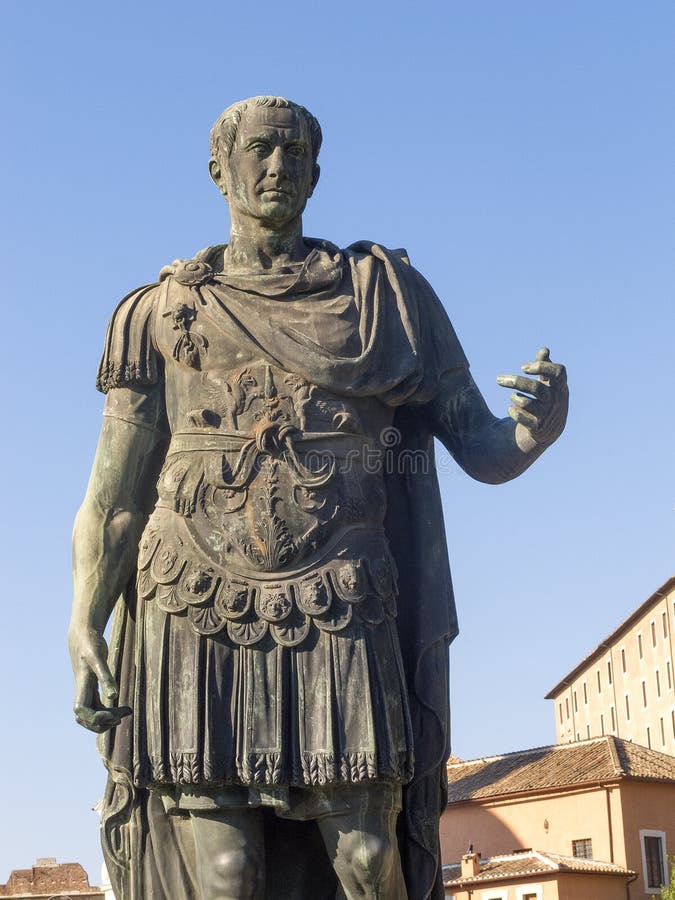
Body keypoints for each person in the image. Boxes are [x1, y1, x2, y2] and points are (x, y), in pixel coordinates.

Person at [69, 96, 568, 900]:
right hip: (195, 603)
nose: (279, 167)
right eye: (262, 149)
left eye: (297, 153)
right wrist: (83, 620)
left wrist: (530, 433)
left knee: (368, 859)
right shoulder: (158, 313)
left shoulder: (386, 300)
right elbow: (114, 496)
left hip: (341, 598)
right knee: (226, 875)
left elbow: (482, 447)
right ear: (219, 169)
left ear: (317, 171)